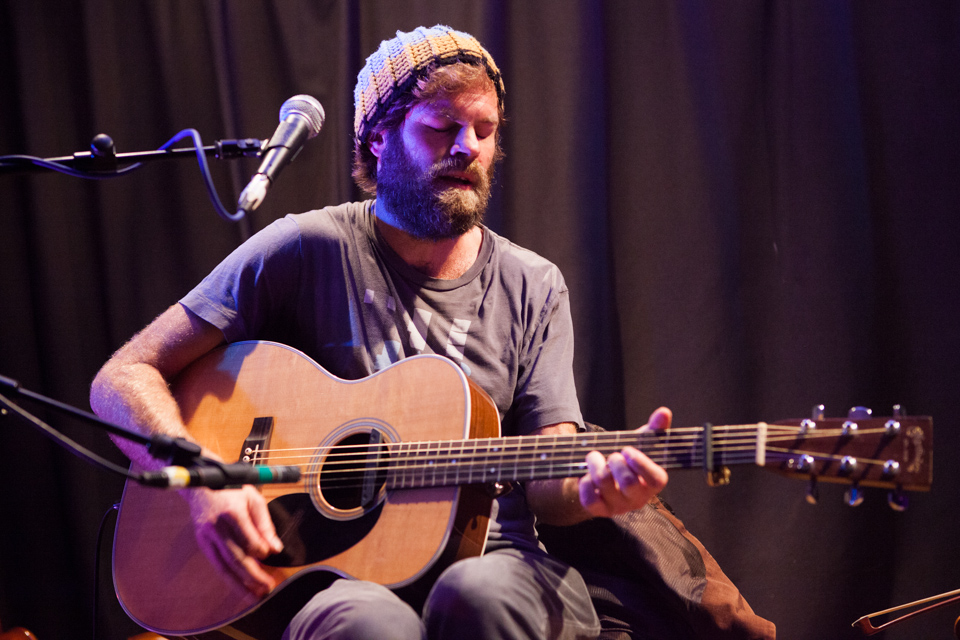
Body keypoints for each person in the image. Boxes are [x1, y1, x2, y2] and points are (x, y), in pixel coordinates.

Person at [91, 25, 671, 640]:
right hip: (333, 577)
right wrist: (202, 480)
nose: (468, 147)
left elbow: (551, 482)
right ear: (379, 136)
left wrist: (592, 492)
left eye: (485, 129)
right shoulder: (305, 247)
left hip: (495, 561)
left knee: (473, 594)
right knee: (367, 625)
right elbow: (123, 376)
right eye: (442, 126)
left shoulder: (533, 283)